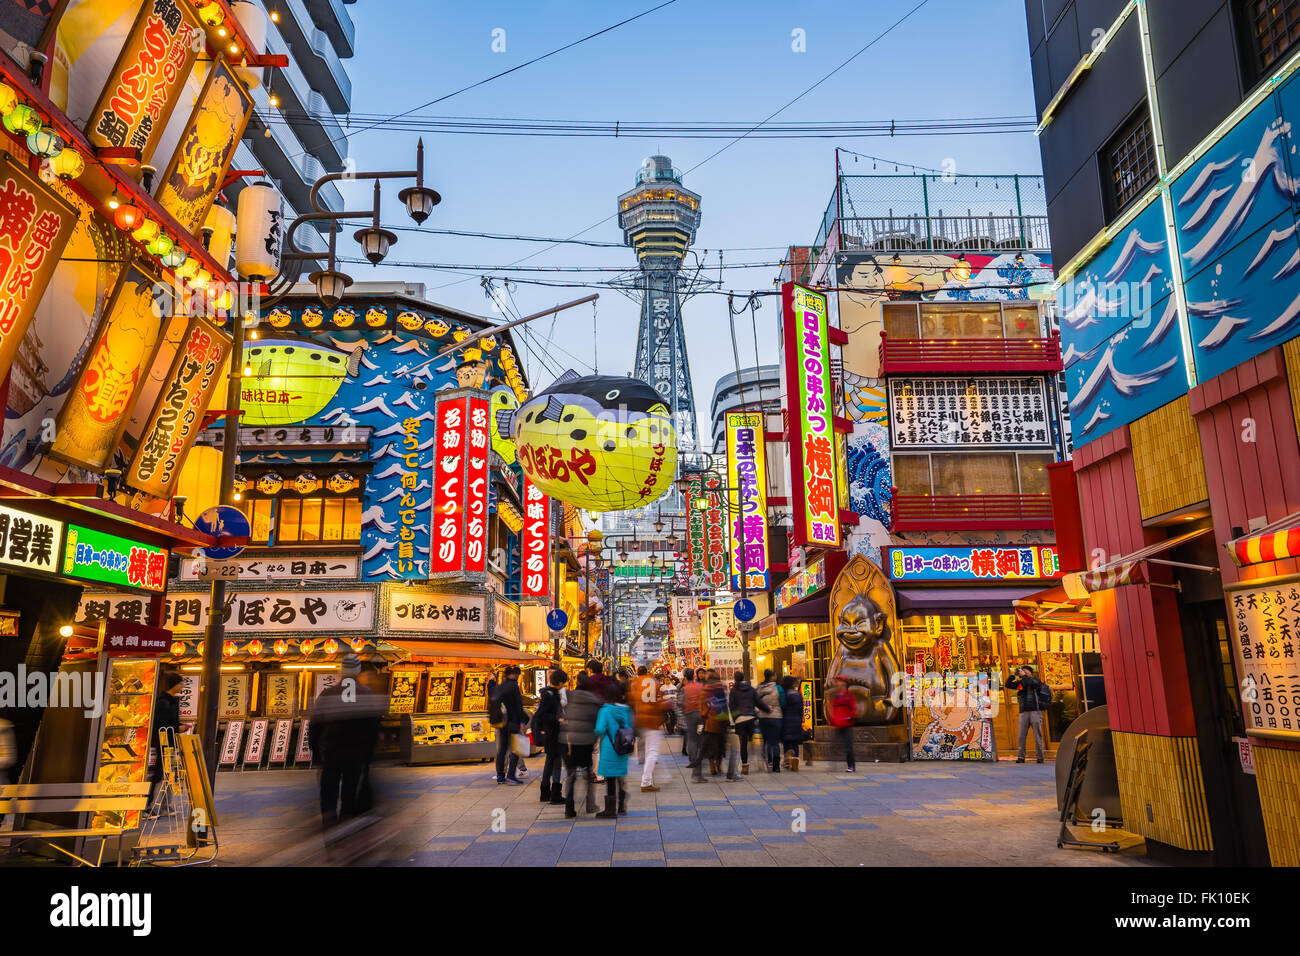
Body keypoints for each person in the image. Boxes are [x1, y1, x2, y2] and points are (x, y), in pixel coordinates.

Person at [309, 654, 384, 827]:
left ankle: (328, 823)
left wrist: (315, 752)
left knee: (329, 793)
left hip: (331, 753)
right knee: (350, 793)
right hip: (356, 755)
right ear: (358, 671)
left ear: (341, 670)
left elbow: (314, 725)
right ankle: (346, 823)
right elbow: (374, 727)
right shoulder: (367, 694)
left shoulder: (328, 693)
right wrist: (369, 755)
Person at [559, 674, 601, 818]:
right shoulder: (593, 699)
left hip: (568, 741)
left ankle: (569, 809)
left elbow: (562, 714)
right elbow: (596, 720)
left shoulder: (570, 696)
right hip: (585, 742)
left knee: (571, 774)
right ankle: (590, 804)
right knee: (588, 772)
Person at [593, 683, 633, 817]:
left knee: (610, 779)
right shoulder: (625, 710)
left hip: (610, 747)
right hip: (623, 746)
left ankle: (610, 810)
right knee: (620, 776)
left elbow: (599, 729)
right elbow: (629, 726)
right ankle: (621, 805)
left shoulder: (605, 710)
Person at [146, 671, 184, 811]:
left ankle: (163, 805)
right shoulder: (163, 702)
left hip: (170, 742)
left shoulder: (172, 701)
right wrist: (177, 728)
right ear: (173, 685)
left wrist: (178, 727)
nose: (182, 686)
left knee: (167, 773)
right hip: (163, 742)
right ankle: (147, 804)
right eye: (180, 683)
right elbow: (160, 726)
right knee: (158, 774)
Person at [530, 670, 568, 804]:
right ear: (559, 682)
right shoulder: (550, 695)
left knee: (550, 762)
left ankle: (545, 792)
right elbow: (541, 715)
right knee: (556, 762)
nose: (564, 686)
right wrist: (558, 720)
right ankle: (555, 794)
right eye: (563, 683)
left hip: (552, 733)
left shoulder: (551, 693)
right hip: (552, 734)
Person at [489, 665, 529, 784]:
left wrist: (491, 681)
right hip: (513, 722)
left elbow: (491, 693)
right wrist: (522, 721)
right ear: (515, 674)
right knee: (516, 749)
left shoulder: (500, 686)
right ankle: (511, 775)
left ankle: (500, 776)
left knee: (502, 750)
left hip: (501, 723)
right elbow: (518, 706)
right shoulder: (513, 686)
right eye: (517, 674)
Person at [630, 666, 667, 792]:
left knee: (647, 749)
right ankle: (646, 782)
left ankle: (649, 779)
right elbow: (658, 701)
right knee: (652, 751)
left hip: (639, 719)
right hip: (652, 720)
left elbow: (631, 701)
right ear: (647, 672)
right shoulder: (653, 682)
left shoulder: (634, 683)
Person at [1005, 665, 1050, 763]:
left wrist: (1024, 676)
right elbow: (1008, 685)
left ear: (1030, 672)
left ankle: (1040, 757)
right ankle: (1021, 757)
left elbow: (1031, 683)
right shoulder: (1021, 683)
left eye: (1025, 671)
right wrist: (1013, 675)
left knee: (1037, 735)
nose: (1023, 672)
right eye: (1022, 671)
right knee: (1021, 735)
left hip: (1035, 711)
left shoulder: (1036, 680)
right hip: (1023, 712)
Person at [728, 670, 767, 775]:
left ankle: (745, 766)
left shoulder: (734, 690)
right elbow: (758, 702)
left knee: (743, 743)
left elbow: (731, 706)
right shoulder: (750, 689)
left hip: (740, 719)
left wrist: (735, 718)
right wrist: (767, 709)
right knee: (752, 740)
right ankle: (757, 761)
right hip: (750, 718)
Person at [700, 669, 731, 778]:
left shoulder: (706, 689)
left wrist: (704, 715)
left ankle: (712, 767)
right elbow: (724, 704)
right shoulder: (721, 687)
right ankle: (719, 766)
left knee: (711, 745)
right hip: (721, 720)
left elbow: (703, 706)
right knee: (720, 744)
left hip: (711, 721)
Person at [826, 677, 857, 772]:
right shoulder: (836, 696)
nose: (839, 686)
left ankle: (851, 765)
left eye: (842, 685)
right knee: (833, 745)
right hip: (838, 723)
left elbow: (854, 708)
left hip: (847, 723)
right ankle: (832, 765)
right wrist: (832, 719)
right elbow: (832, 708)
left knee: (848, 746)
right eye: (838, 685)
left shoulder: (849, 696)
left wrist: (850, 717)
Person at [756, 669, 784, 773]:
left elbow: (756, 701)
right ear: (772, 677)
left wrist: (764, 708)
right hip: (776, 717)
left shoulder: (759, 688)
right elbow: (783, 702)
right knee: (775, 742)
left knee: (767, 741)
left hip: (763, 717)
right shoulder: (778, 688)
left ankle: (769, 761)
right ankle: (776, 766)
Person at [680, 667, 705, 779]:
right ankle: (698, 768)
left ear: (685, 676)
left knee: (692, 739)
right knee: (700, 739)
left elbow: (680, 703)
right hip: (700, 714)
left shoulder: (684, 688)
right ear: (694, 675)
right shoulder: (700, 686)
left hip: (689, 715)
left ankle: (693, 760)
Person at [780, 676, 805, 771]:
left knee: (786, 742)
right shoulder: (798, 695)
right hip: (797, 720)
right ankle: (795, 764)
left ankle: (787, 762)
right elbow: (801, 710)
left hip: (786, 720)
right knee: (795, 743)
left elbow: (783, 707)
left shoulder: (785, 695)